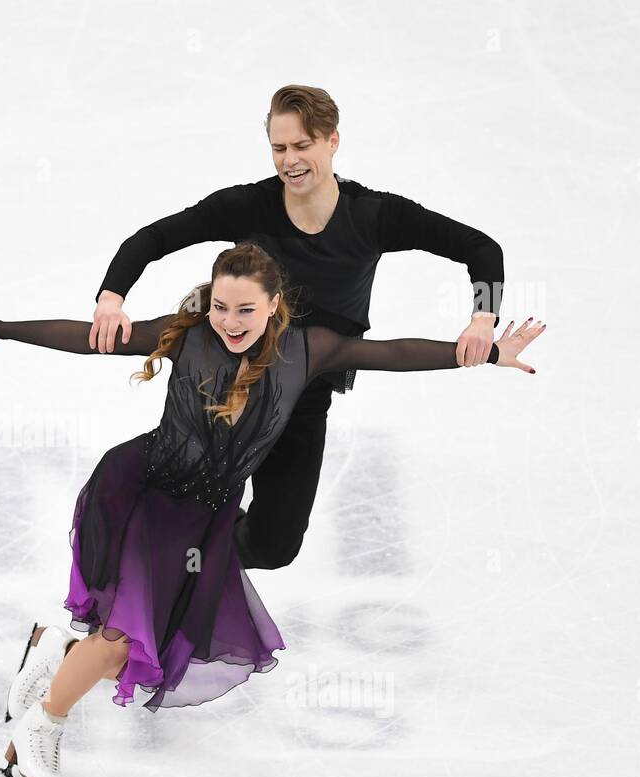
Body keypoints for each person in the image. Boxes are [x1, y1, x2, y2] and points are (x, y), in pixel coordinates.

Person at [0, 243, 543, 777]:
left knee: (129, 639)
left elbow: (394, 354)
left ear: (275, 304)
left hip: (204, 522)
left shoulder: (310, 350)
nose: (230, 321)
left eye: (245, 309)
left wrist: (487, 352)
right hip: (141, 495)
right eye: (221, 305)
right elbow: (88, 337)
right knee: (123, 640)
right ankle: (43, 724)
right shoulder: (185, 335)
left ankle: (56, 648)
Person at [89, 84, 505, 572]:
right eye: (279, 148)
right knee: (178, 523)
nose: (290, 160)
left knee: (273, 546)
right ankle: (114, 629)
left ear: (332, 141)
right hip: (226, 385)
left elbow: (480, 248)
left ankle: (185, 576)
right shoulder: (250, 206)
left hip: (304, 393)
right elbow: (155, 236)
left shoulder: (372, 216)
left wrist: (483, 316)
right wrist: (111, 297)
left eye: (302, 145)